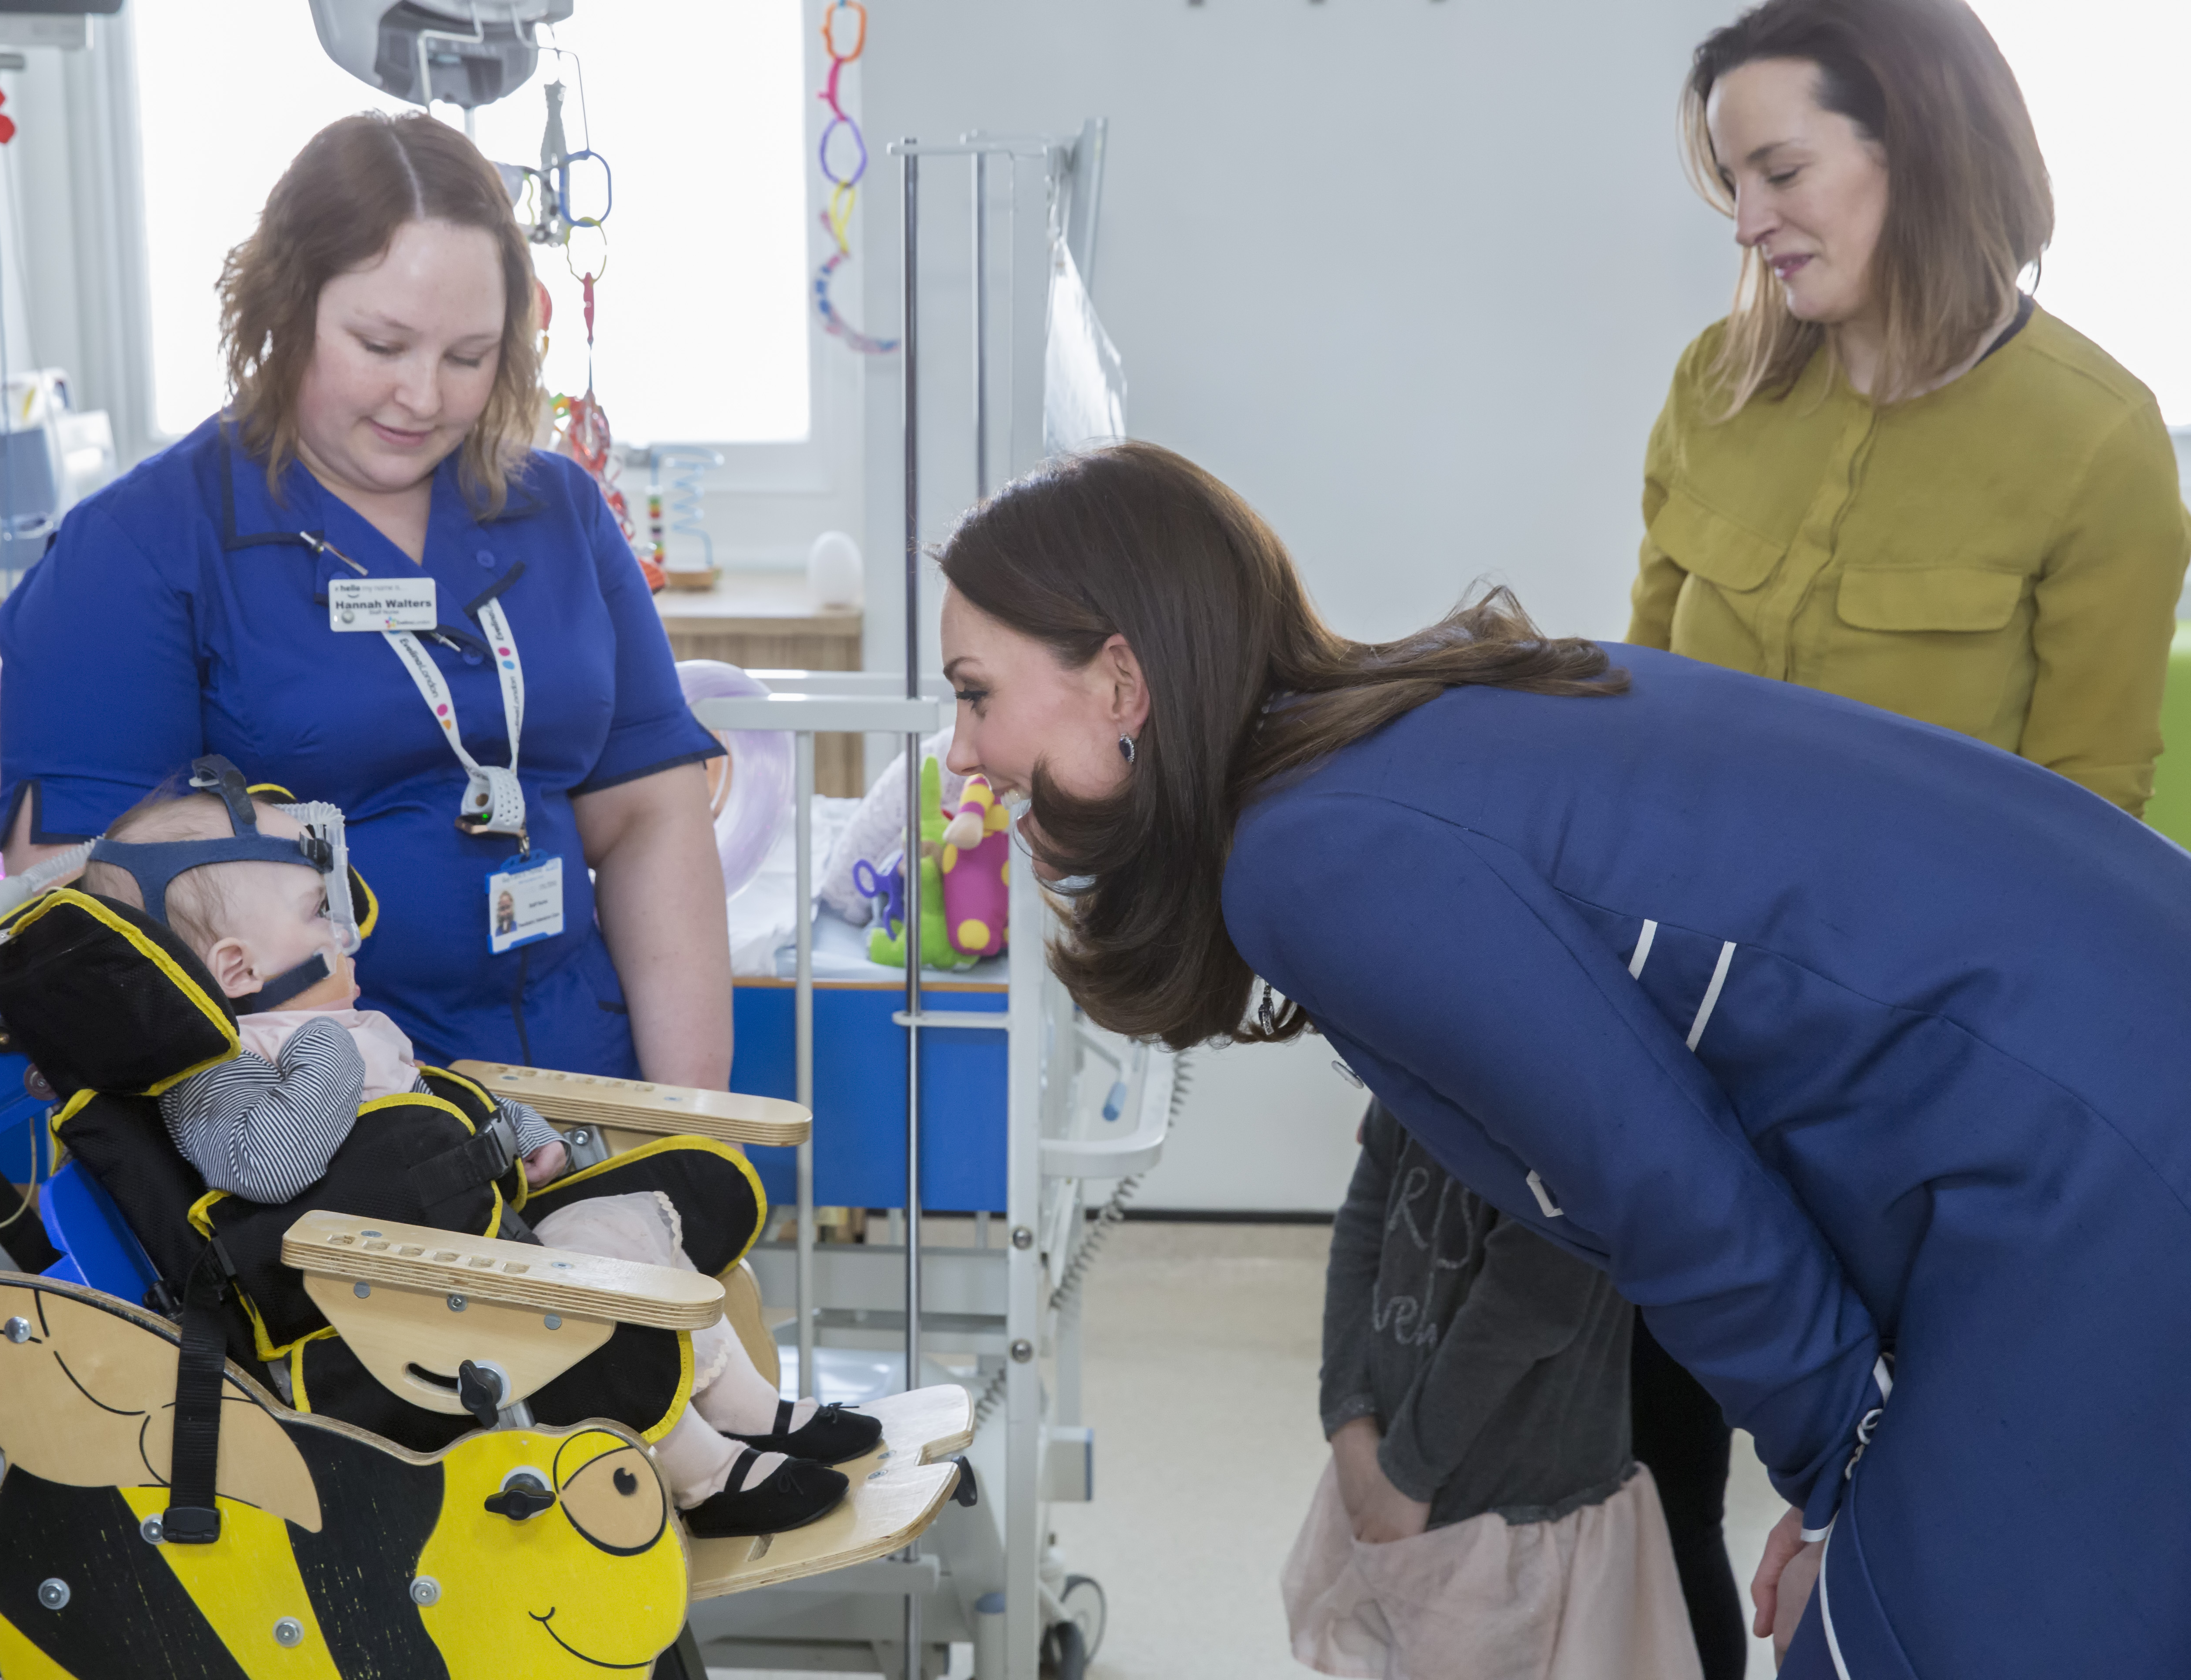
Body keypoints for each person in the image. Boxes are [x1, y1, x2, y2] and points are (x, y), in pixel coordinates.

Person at [937, 440, 2191, 1679]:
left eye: (974, 692)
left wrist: (1833, 1482)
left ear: (1119, 683)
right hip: (2099, 1080)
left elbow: (1662, 1185)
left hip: (2094, 1161)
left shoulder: (1310, 854)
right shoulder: (1415, 727)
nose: (960, 753)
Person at [1628, 5, 2190, 1665]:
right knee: (1641, 1480)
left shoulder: (2096, 442)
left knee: (1903, 1534)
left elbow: (2080, 850)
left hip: (1914, 1103)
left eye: (1780, 168)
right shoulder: (1711, 389)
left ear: (1918, 150)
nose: (1747, 220)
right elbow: (1632, 723)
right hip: (1678, 1061)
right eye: (1731, 181)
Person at [0, 112, 731, 1088]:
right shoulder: (139, 549)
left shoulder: (559, 515)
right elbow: (83, 914)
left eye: (469, 357)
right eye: (381, 344)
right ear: (284, 305)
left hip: (575, 1077)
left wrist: (687, 1125)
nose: (423, 397)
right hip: (311, 1126)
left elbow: (651, 820)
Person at [78, 779, 881, 1537]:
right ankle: (707, 1478)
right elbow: (264, 1169)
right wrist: (330, 1052)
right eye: (318, 911)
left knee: (634, 1225)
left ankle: (747, 1408)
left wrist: (516, 1129)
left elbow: (431, 1098)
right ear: (237, 968)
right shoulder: (220, 1076)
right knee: (606, 1282)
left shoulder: (333, 1027)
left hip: (467, 1266)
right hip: (382, 1324)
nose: (344, 926)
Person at [1283, 1098, 1698, 1679]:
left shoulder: (1564, 1105)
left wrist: (1407, 1471)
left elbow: (1532, 1304)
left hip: (1519, 1515)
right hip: (1385, 1475)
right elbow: (1362, 1224)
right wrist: (1350, 1425)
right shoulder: (1406, 1062)